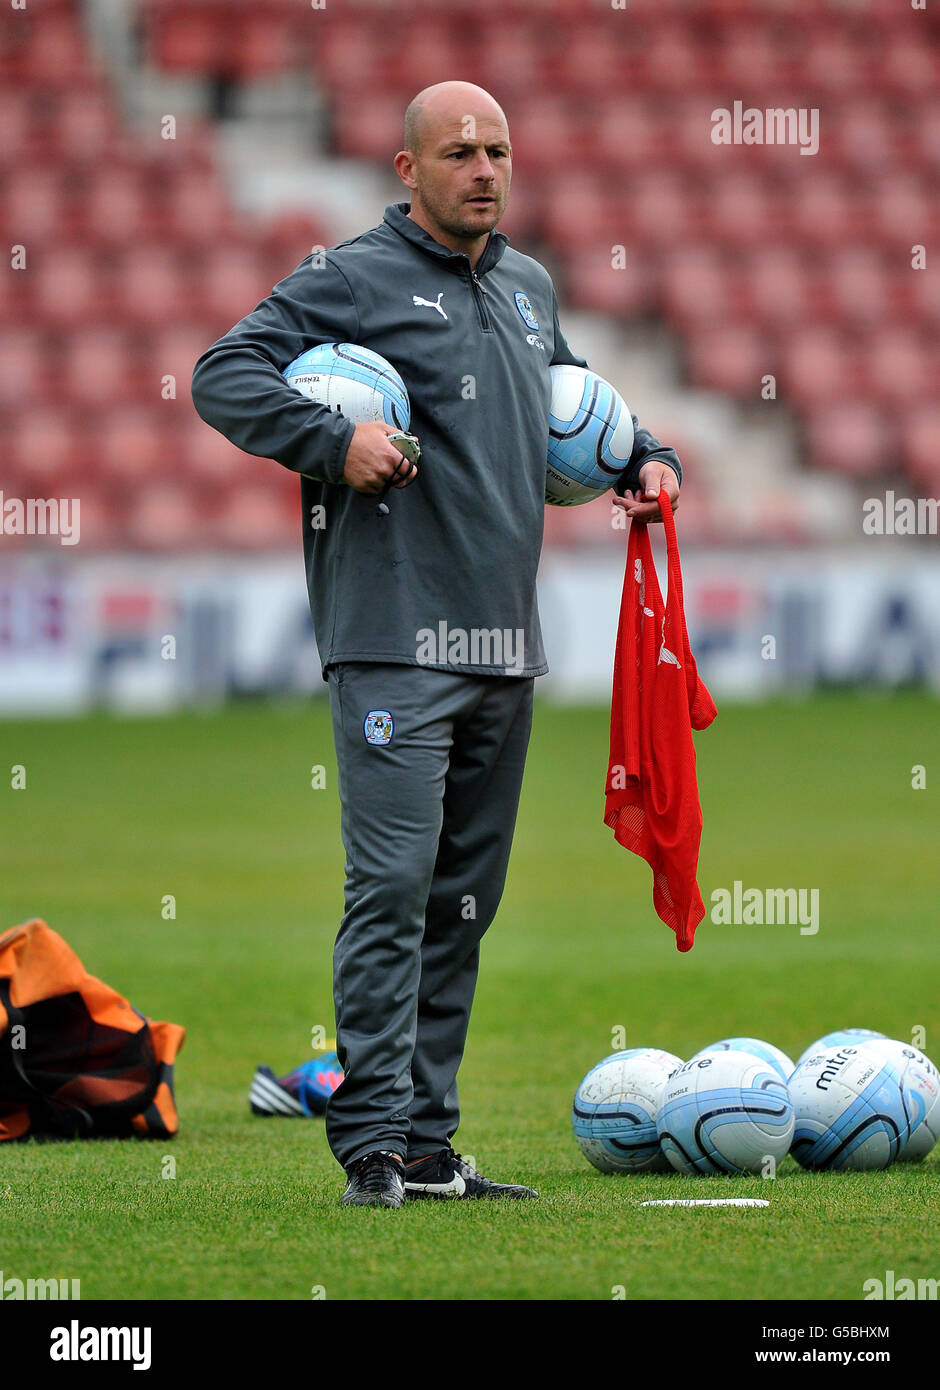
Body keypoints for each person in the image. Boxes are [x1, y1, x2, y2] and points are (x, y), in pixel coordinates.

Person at [192, 81, 682, 1207]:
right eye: (456, 150)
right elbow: (223, 374)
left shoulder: (524, 285)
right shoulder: (352, 276)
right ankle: (369, 1147)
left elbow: (578, 403)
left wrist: (646, 458)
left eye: (497, 148)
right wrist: (331, 440)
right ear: (406, 171)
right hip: (393, 642)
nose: (482, 167)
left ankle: (426, 1142)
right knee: (394, 887)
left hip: (505, 644)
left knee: (464, 901)